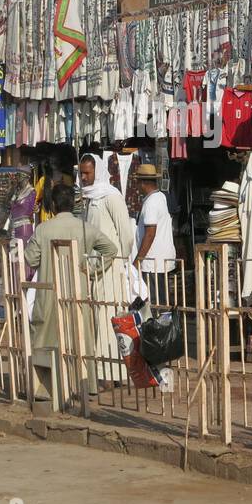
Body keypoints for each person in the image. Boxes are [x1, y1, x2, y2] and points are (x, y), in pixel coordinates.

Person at [23, 183, 116, 398]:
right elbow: (110, 249)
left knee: (46, 340)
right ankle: (83, 386)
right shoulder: (84, 228)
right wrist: (90, 269)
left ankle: (47, 387)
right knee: (79, 339)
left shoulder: (43, 229)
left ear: (53, 204)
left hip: (49, 294)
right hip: (78, 292)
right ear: (72, 203)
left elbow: (30, 258)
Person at [79, 153, 141, 382]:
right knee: (98, 319)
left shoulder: (111, 197)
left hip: (112, 267)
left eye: (88, 173)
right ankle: (103, 371)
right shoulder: (88, 199)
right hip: (95, 268)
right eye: (82, 173)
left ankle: (114, 373)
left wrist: (120, 260)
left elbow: (126, 234)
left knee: (111, 318)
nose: (84, 177)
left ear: (99, 171)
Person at [131, 164, 177, 305]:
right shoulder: (161, 197)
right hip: (160, 259)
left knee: (156, 301)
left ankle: (161, 325)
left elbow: (150, 233)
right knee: (161, 299)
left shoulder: (151, 203)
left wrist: (138, 259)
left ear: (143, 183)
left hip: (153, 261)